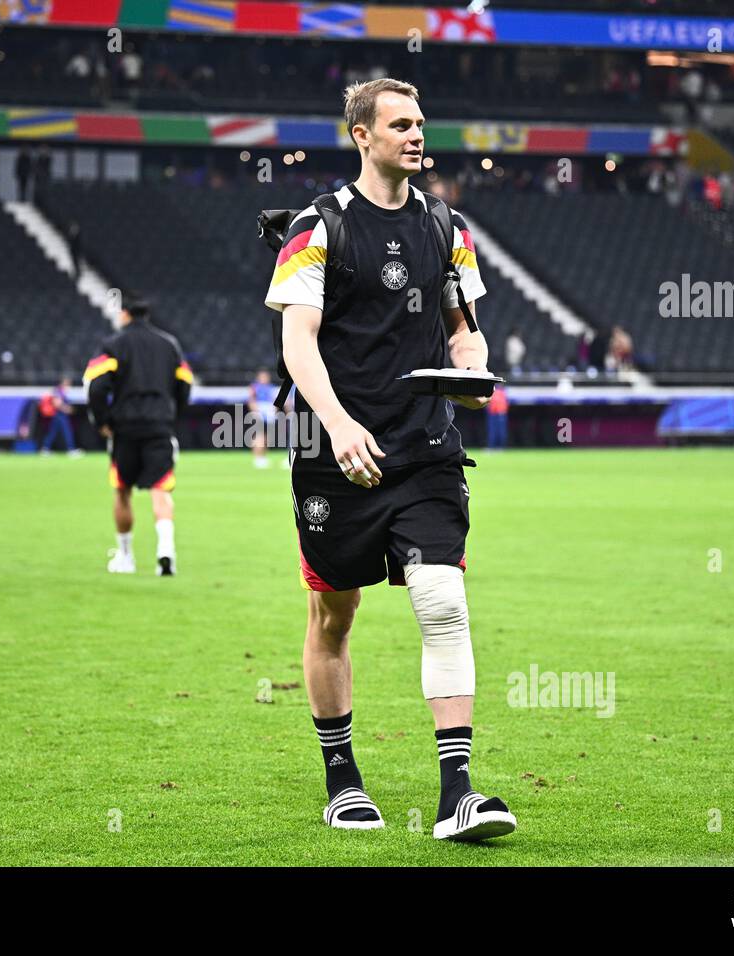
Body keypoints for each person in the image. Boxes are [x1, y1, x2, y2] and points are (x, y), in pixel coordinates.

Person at [264, 77, 515, 842]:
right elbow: (298, 341)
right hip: (334, 451)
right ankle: (343, 780)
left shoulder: (447, 224)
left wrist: (471, 364)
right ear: (361, 136)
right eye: (400, 123)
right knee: (334, 613)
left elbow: (462, 325)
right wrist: (337, 426)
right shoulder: (318, 226)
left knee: (442, 599)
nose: (416, 133)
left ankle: (458, 794)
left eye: (421, 122)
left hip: (426, 446)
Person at [84, 293, 192, 577]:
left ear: (124, 315)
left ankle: (125, 556)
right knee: (161, 489)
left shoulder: (113, 344)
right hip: (159, 426)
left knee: (122, 491)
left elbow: (95, 387)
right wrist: (172, 414)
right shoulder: (169, 344)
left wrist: (102, 421)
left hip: (125, 429)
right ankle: (165, 551)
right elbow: (185, 384)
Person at [248, 368, 277, 469]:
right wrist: (255, 411)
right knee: (259, 436)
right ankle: (257, 457)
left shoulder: (271, 388)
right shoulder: (255, 387)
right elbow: (251, 400)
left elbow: (275, 401)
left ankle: (263, 456)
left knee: (267, 436)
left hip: (268, 414)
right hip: (259, 413)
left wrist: (273, 411)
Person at [486, 384, 509, 450]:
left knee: (496, 431)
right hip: (497, 414)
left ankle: (496, 447)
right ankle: (497, 447)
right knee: (496, 431)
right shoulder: (503, 392)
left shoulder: (498, 392)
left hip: (497, 414)